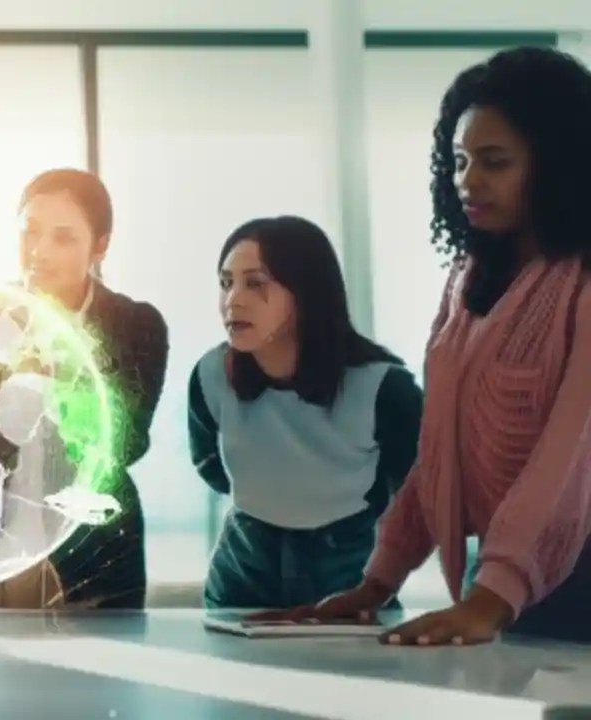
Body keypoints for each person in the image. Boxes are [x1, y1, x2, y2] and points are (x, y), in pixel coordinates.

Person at [270, 46, 591, 645]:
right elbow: (438, 452)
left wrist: (490, 599)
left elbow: (567, 458)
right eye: (460, 160)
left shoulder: (582, 284)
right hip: (501, 579)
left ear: (558, 166)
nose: (468, 180)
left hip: (569, 574)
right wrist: (377, 581)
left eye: (494, 162)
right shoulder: (467, 282)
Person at [0, 168, 167, 609]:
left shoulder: (135, 324)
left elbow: (128, 442)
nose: (38, 251)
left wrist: (52, 382)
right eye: (29, 232)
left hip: (94, 546)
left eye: (63, 238)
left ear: (101, 244)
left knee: (98, 674)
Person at [190, 215, 423, 610]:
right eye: (226, 282)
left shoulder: (382, 387)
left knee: (351, 671)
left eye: (255, 283)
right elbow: (209, 463)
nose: (234, 300)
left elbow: (415, 489)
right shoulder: (212, 374)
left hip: (348, 559)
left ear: (307, 292)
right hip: (246, 558)